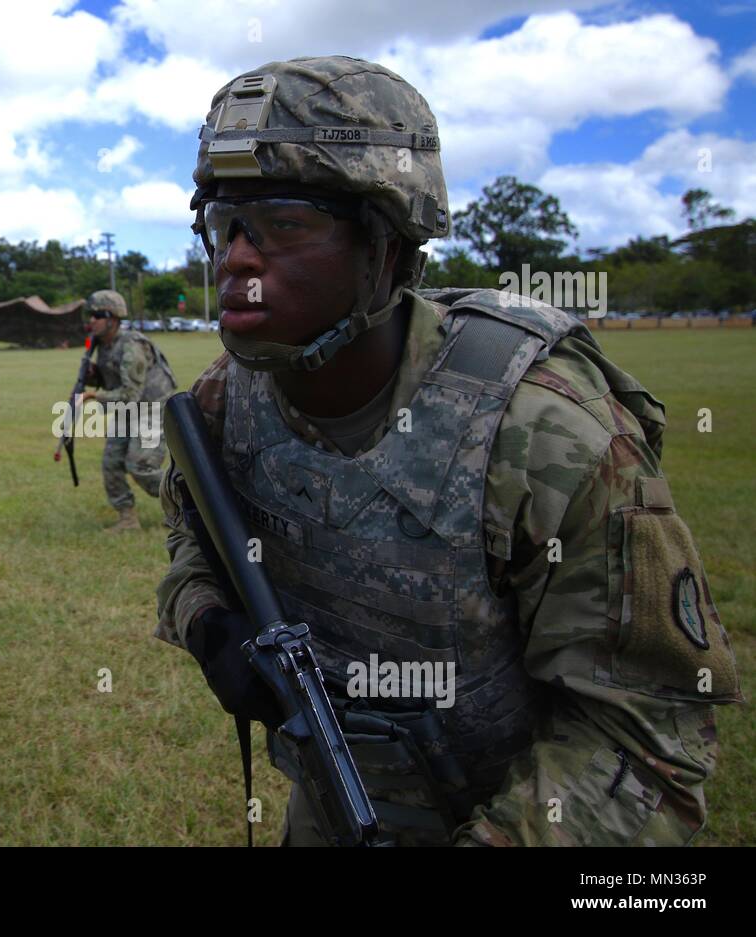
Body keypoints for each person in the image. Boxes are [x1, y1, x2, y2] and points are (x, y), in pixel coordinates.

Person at [155, 56, 742, 846]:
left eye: (285, 225)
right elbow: (192, 544)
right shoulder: (225, 402)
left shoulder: (541, 430)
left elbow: (651, 732)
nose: (237, 261)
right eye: (224, 227)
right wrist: (205, 620)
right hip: (334, 806)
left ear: (388, 248)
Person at [80, 289, 177, 532]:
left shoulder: (132, 347)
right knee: (111, 463)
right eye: (89, 315)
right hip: (127, 410)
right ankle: (127, 519)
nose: (91, 320)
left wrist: (93, 396)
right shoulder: (103, 344)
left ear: (113, 318)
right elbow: (113, 380)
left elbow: (129, 396)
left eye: (97, 315)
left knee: (141, 466)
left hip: (150, 409)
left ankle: (186, 506)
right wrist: (94, 376)